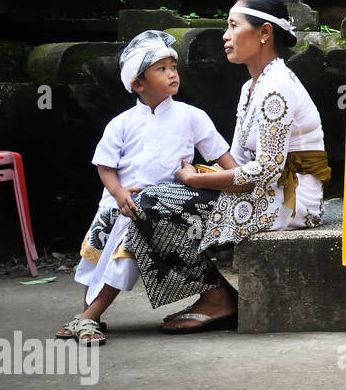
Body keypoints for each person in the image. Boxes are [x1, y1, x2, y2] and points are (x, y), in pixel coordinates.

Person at [125, 0, 330, 333]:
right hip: (267, 189)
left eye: (233, 26)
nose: (225, 35)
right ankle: (214, 294)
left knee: (151, 203)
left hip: (288, 201)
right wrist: (182, 181)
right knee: (148, 197)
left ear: (264, 32)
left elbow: (264, 171)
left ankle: (217, 298)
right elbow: (236, 163)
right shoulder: (252, 86)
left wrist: (194, 182)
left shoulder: (275, 88)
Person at [57, 30, 233, 345]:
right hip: (114, 205)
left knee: (121, 261)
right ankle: (87, 316)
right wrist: (118, 192)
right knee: (97, 259)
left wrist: (237, 178)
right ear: (138, 84)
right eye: (161, 69)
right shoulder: (121, 123)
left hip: (151, 212)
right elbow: (105, 166)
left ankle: (88, 319)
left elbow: (221, 155)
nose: (172, 74)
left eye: (173, 67)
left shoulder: (191, 117)